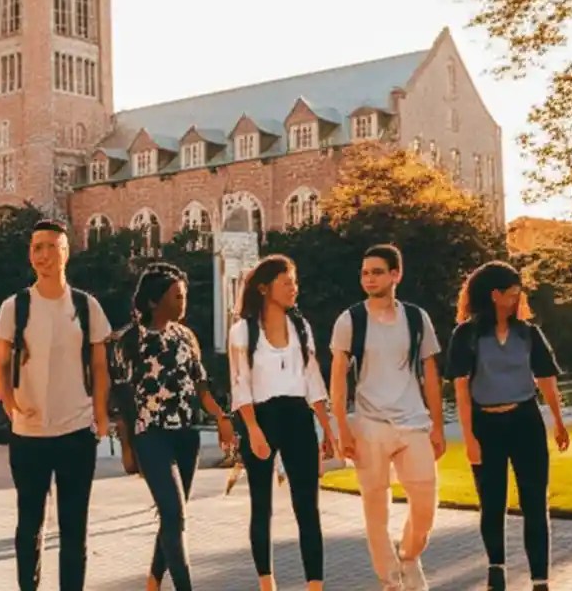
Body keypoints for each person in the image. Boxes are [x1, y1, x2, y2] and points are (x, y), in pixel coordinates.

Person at [0, 219, 112, 591]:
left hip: (75, 431)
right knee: (30, 525)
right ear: (31, 255)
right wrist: (10, 406)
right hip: (29, 434)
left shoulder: (85, 305)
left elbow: (99, 366)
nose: (43, 255)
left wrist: (101, 416)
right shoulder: (16, 306)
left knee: (74, 527)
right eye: (36, 247)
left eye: (51, 247)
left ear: (65, 253)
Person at [446, 261, 569, 591]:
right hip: (486, 425)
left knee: (534, 501)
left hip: (525, 421)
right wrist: (469, 437)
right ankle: (496, 568)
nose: (517, 299)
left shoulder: (528, 333)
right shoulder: (467, 334)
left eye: (519, 294)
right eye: (512, 293)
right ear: (495, 295)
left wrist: (558, 421)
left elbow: (546, 378)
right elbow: (461, 388)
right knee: (492, 501)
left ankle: (540, 579)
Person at [111, 262, 234, 591]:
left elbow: (201, 387)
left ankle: (153, 582)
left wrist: (221, 419)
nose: (183, 302)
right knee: (174, 513)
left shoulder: (185, 337)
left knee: (171, 517)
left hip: (186, 437)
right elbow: (123, 404)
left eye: (184, 296)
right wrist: (127, 448)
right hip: (149, 437)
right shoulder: (129, 342)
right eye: (176, 296)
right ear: (154, 301)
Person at [329, 244, 444, 591]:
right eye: (365, 272)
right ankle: (390, 580)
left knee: (426, 503)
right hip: (370, 424)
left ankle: (409, 556)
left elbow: (430, 373)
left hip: (413, 422)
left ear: (396, 275)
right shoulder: (350, 320)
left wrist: (437, 425)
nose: (369, 278)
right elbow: (337, 378)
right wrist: (343, 430)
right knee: (376, 509)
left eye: (377, 271)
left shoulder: (416, 317)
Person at [227, 255, 335, 591]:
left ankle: (315, 585)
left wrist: (328, 429)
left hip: (298, 418)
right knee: (262, 505)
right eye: (286, 282)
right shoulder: (243, 331)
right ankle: (266, 583)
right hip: (260, 418)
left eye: (295, 282)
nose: (294, 288)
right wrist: (253, 430)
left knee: (308, 505)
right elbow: (240, 383)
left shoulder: (301, 329)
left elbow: (313, 381)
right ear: (264, 287)